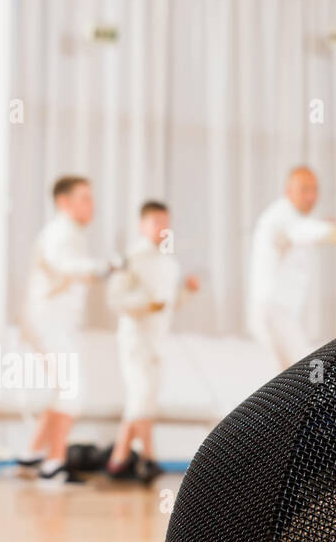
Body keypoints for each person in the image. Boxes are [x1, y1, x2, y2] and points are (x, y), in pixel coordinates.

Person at [16, 175, 111, 485]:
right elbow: (63, 264)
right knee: (73, 390)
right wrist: (101, 267)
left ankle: (31, 456)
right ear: (63, 202)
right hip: (48, 322)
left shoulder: (71, 233)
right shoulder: (60, 232)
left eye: (92, 198)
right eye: (84, 198)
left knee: (62, 390)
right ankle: (54, 464)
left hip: (52, 322)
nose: (91, 205)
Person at [104, 201, 199, 485]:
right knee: (141, 394)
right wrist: (146, 304)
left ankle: (120, 460)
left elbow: (170, 305)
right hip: (135, 339)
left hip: (158, 341)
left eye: (165, 221)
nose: (162, 227)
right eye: (156, 221)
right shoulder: (130, 258)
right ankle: (145, 457)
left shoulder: (170, 263)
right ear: (142, 225)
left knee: (145, 399)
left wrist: (187, 292)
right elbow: (115, 299)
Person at [246, 166, 336, 370]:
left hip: (279, 310)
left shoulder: (291, 217)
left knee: (290, 376)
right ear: (288, 191)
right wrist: (334, 231)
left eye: (315, 189)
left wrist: (326, 228)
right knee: (308, 373)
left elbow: (305, 228)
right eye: (304, 189)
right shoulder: (280, 216)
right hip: (273, 309)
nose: (311, 196)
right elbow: (301, 232)